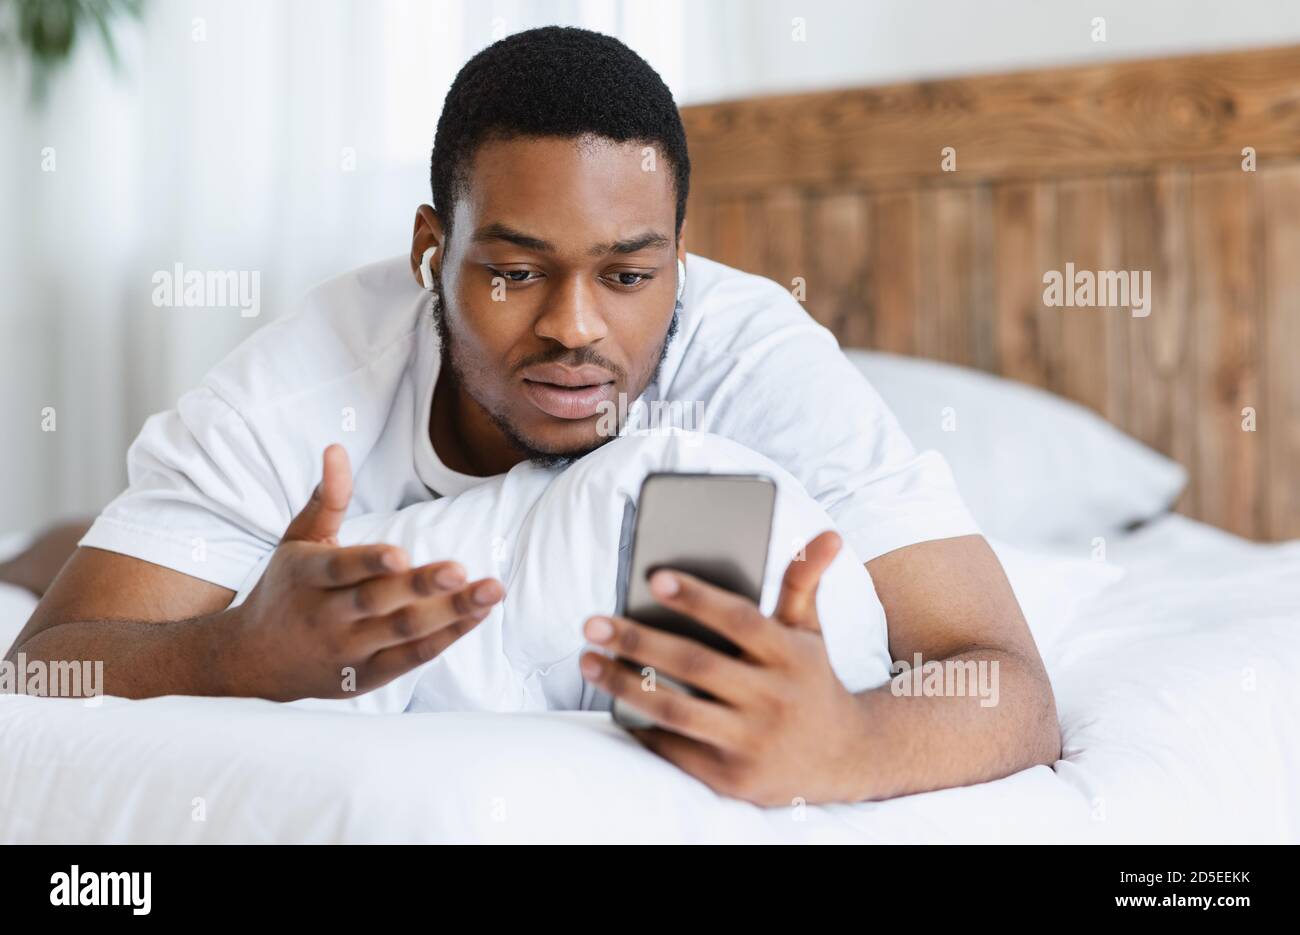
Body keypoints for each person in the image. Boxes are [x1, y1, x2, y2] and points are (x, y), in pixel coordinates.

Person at [7, 26, 1059, 805]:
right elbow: (39, 666)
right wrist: (229, 652)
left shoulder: (759, 361)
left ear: (678, 262)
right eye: (514, 270)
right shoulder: (297, 385)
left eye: (628, 273)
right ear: (433, 250)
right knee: (63, 552)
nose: (574, 326)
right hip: (241, 543)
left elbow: (1005, 679)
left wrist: (848, 741)